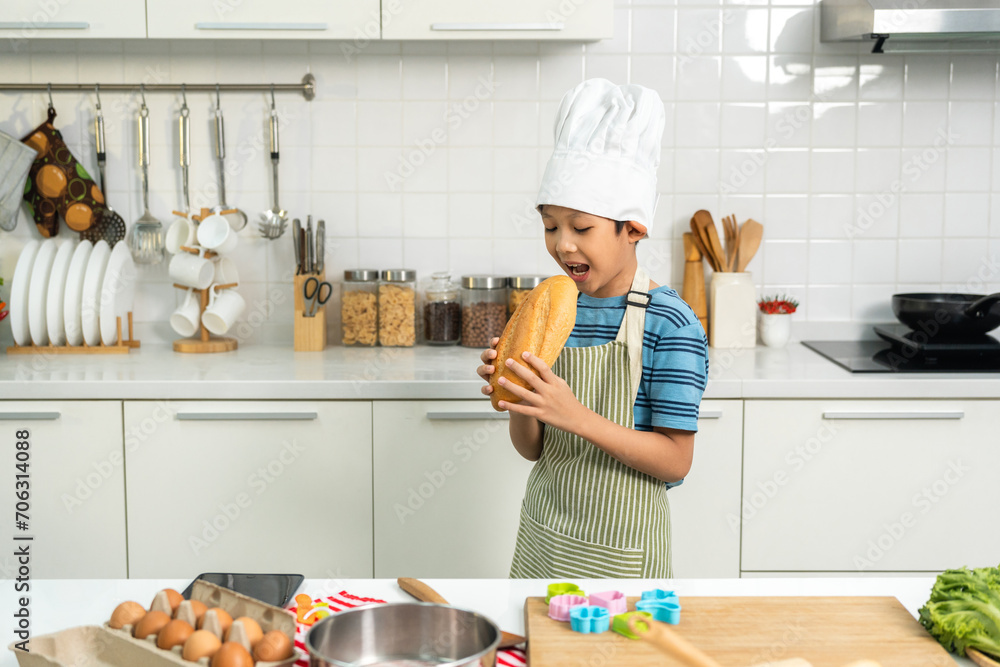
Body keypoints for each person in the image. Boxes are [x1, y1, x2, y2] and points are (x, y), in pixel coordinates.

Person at [476, 79, 709, 578]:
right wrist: (520, 397)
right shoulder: (555, 311)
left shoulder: (671, 323)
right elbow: (533, 449)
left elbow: (675, 461)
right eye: (550, 225)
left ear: (634, 229)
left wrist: (575, 414)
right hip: (544, 540)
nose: (562, 245)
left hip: (622, 558)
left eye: (581, 228)